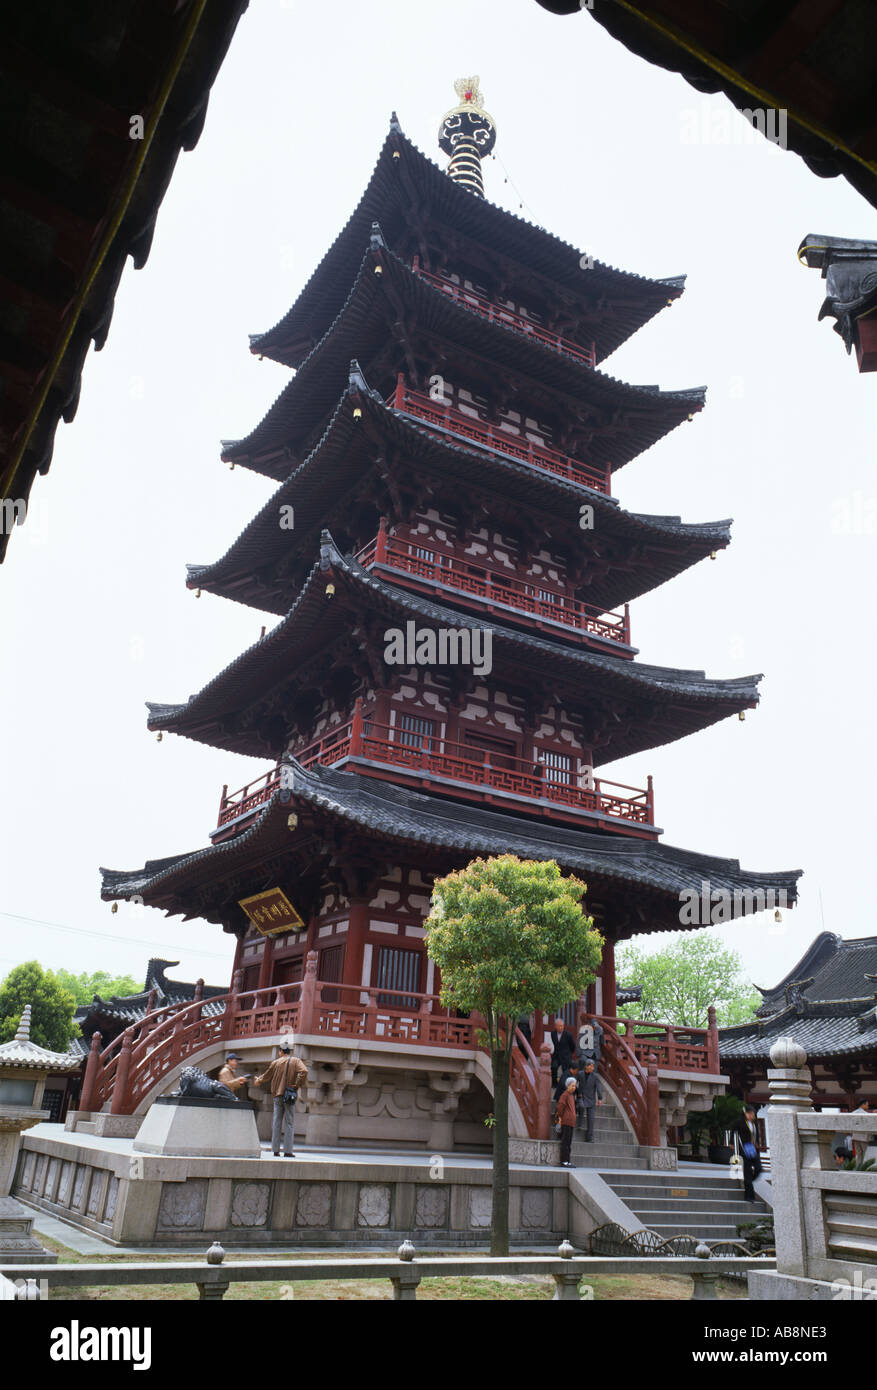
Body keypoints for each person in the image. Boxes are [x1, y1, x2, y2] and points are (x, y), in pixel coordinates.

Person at [254, 1039, 308, 1157]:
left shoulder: (276, 1063)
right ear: (289, 1051)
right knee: (289, 1123)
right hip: (289, 1095)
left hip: (277, 1095)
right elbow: (304, 1071)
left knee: (276, 1122)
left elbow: (267, 1076)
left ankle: (275, 1150)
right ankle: (288, 1151)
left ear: (281, 1051)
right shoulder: (296, 1060)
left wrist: (258, 1080)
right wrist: (297, 1085)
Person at [734, 1104, 763, 1201]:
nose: (751, 1115)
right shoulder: (740, 1123)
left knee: (758, 1168)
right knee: (747, 1172)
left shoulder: (754, 1124)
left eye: (753, 1114)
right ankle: (749, 1196)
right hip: (744, 1149)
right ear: (745, 1114)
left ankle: (750, 1180)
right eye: (749, 1113)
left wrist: (757, 1143)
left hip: (753, 1149)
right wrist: (731, 1143)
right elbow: (733, 1132)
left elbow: (756, 1135)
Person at [555, 1077, 578, 1167]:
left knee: (568, 1142)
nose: (574, 1087)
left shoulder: (571, 1095)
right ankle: (564, 1161)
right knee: (565, 1142)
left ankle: (567, 1161)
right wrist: (562, 1117)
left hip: (570, 1122)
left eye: (575, 1086)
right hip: (566, 1122)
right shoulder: (565, 1095)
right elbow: (560, 1107)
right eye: (572, 1086)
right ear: (567, 1086)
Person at [579, 1060, 602, 1141]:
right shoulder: (580, 1074)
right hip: (581, 1096)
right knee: (581, 1106)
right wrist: (578, 1092)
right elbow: (575, 1082)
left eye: (593, 1066)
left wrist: (600, 1098)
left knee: (591, 1119)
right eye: (591, 1066)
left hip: (591, 1098)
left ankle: (590, 1137)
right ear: (586, 1066)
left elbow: (599, 1087)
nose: (593, 1068)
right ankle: (579, 1122)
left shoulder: (595, 1076)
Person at [549, 1017, 575, 1084]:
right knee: (553, 1067)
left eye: (562, 1026)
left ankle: (565, 1084)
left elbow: (573, 1046)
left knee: (565, 1071)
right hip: (556, 1055)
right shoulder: (553, 1034)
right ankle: (554, 1084)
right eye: (559, 1026)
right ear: (555, 1026)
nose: (561, 1027)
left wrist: (569, 1053)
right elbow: (555, 1044)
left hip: (566, 1056)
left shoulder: (568, 1034)